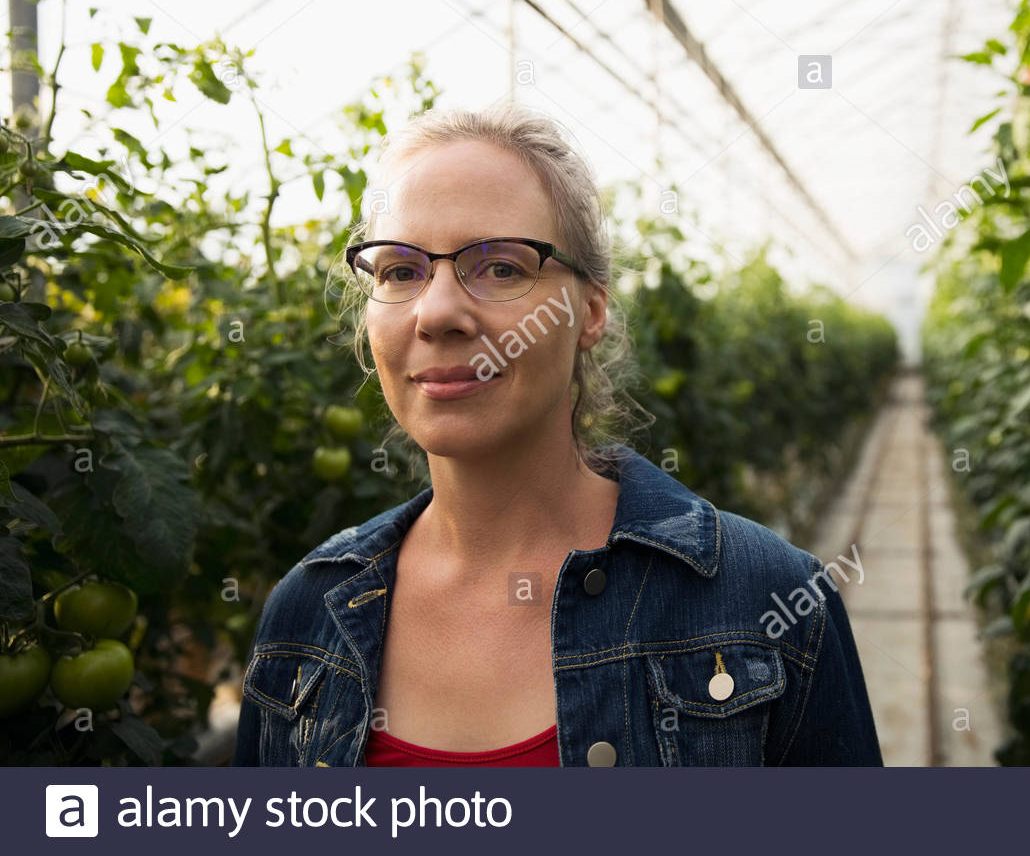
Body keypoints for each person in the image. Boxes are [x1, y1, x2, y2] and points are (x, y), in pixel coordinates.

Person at [232, 101, 884, 766]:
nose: (437, 312)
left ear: (591, 310)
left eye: (500, 267)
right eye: (402, 270)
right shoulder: (305, 618)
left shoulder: (768, 602)